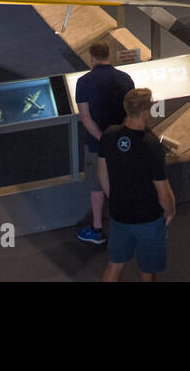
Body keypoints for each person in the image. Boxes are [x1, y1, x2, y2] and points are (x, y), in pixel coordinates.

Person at [99, 88, 176, 281]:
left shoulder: (109, 135)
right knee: (147, 271)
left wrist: (116, 198)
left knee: (114, 265)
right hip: (148, 220)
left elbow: (102, 174)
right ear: (145, 111)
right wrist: (171, 210)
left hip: (119, 216)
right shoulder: (152, 146)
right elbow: (163, 192)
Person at [76, 41, 135, 245]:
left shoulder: (83, 82)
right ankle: (129, 225)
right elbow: (131, 112)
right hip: (123, 142)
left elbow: (85, 117)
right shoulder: (125, 79)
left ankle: (97, 229)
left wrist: (103, 139)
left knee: (97, 185)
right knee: (124, 182)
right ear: (108, 55)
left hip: (97, 144)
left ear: (92, 57)